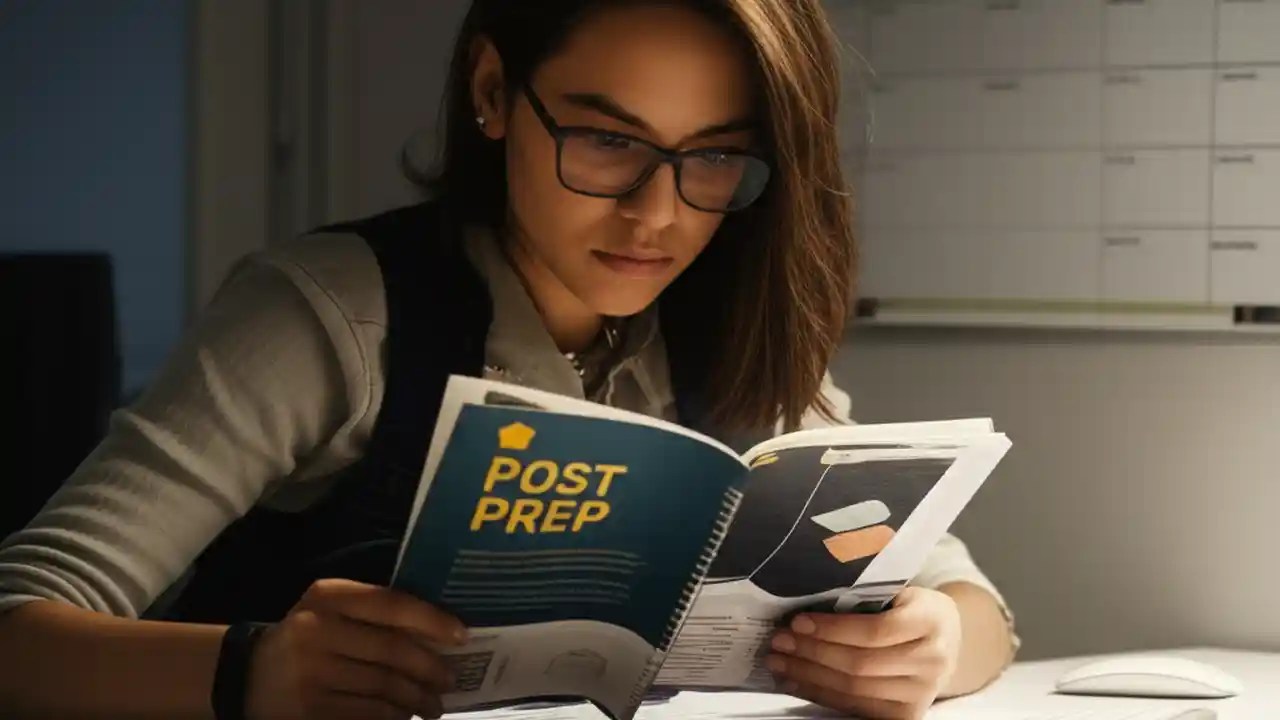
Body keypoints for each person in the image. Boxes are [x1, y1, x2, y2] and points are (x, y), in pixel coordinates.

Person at [0, 1, 1018, 718]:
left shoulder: (734, 324)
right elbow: (18, 631)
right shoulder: (333, 314)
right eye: (605, 141)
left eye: (713, 157)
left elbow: (979, 615)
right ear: (493, 92)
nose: (656, 214)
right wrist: (247, 673)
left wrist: (927, 646)